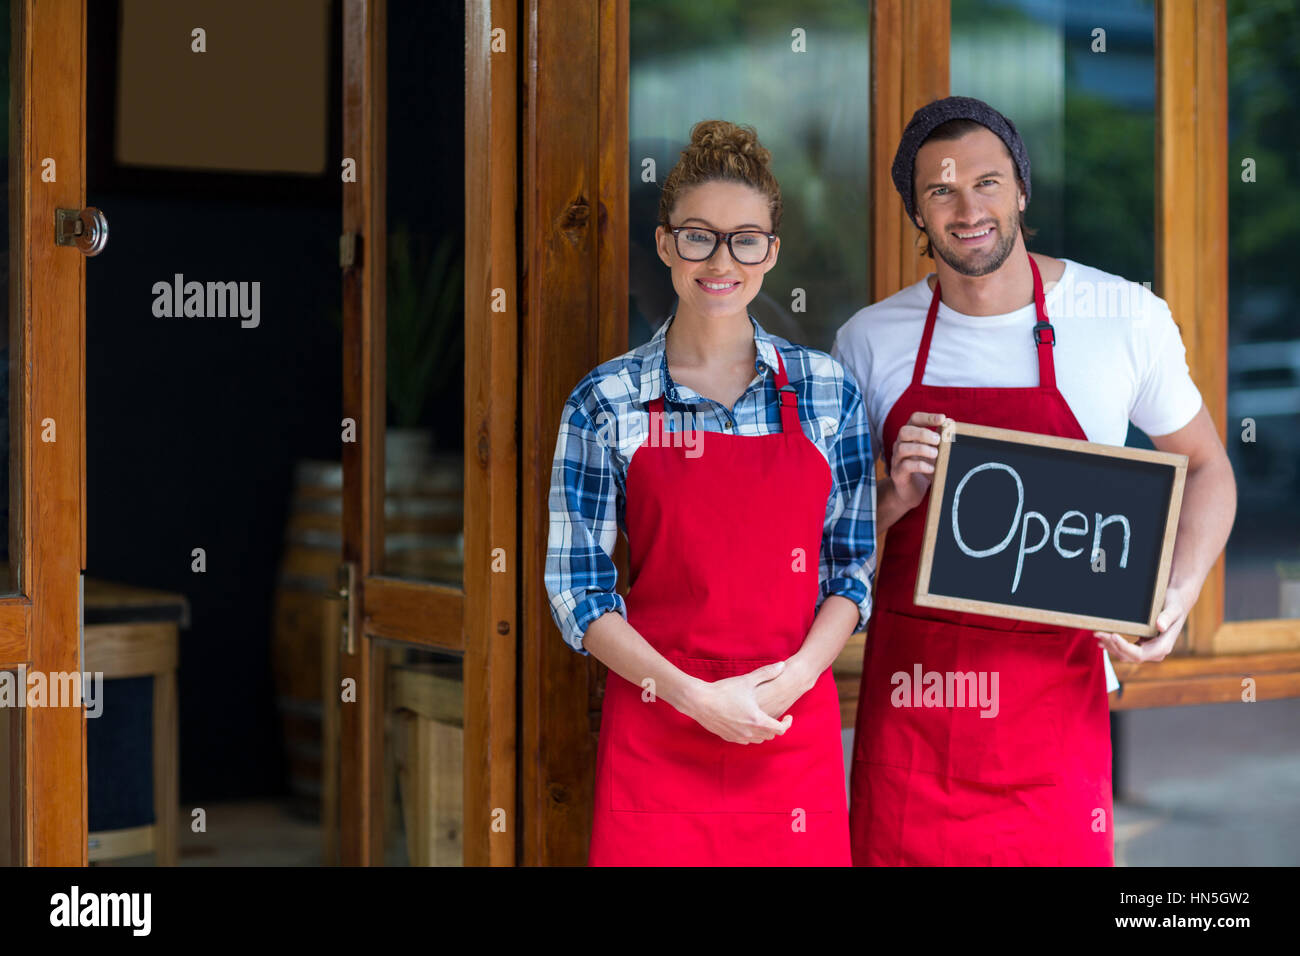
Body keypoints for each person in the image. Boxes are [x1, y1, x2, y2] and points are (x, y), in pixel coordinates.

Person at [832, 96, 1237, 866]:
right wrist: (891, 500)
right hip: (914, 723)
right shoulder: (868, 342)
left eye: (987, 182)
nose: (968, 208)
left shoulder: (1122, 317)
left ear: (1022, 188)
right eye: (940, 191)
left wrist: (1176, 595)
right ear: (914, 212)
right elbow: (826, 538)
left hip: (1053, 726)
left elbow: (1208, 466)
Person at [544, 119, 876, 866]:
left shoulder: (826, 392)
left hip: (788, 729)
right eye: (699, 236)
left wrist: (790, 681)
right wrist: (695, 697)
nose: (721, 260)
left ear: (772, 253)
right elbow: (578, 593)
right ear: (665, 245)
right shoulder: (607, 402)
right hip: (658, 731)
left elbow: (853, 570)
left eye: (745, 239)